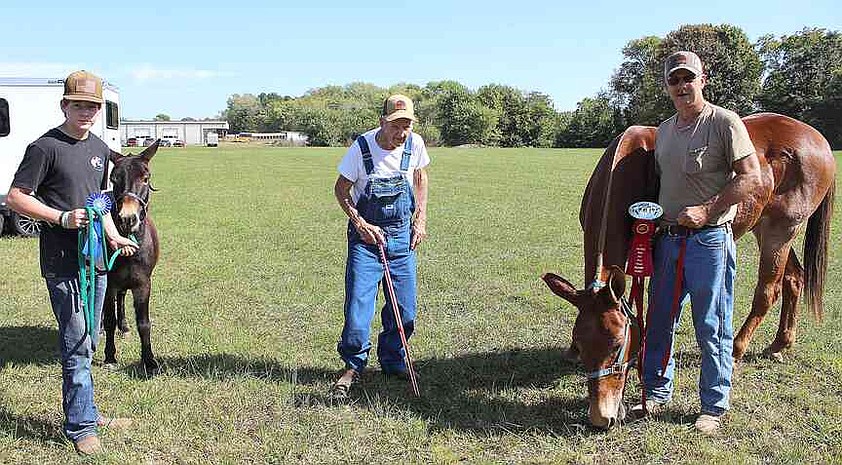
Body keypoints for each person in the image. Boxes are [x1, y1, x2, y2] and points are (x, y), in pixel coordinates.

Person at [7, 70, 139, 455]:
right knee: (77, 344)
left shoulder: (98, 148)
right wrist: (61, 218)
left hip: (96, 260)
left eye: (92, 106)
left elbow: (99, 203)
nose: (85, 111)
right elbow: (17, 197)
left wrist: (113, 235)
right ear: (64, 105)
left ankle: (87, 411)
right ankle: (81, 427)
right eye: (78, 104)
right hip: (64, 262)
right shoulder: (44, 148)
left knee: (91, 340)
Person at [634, 51, 761, 434]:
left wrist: (708, 210)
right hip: (668, 240)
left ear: (703, 80)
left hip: (709, 242)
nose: (681, 86)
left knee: (712, 324)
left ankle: (713, 405)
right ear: (667, 87)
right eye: (674, 80)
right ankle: (657, 391)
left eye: (688, 78)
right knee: (659, 321)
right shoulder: (666, 130)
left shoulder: (725, 122)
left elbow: (751, 177)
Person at [330, 94, 430, 397]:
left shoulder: (415, 145)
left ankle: (393, 359)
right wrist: (360, 223)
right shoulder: (361, 148)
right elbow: (341, 189)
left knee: (405, 309)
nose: (401, 133)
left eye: (406, 126)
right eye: (395, 126)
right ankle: (353, 365)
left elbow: (420, 177)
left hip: (401, 237)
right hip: (366, 241)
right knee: (359, 309)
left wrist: (420, 219)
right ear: (381, 122)